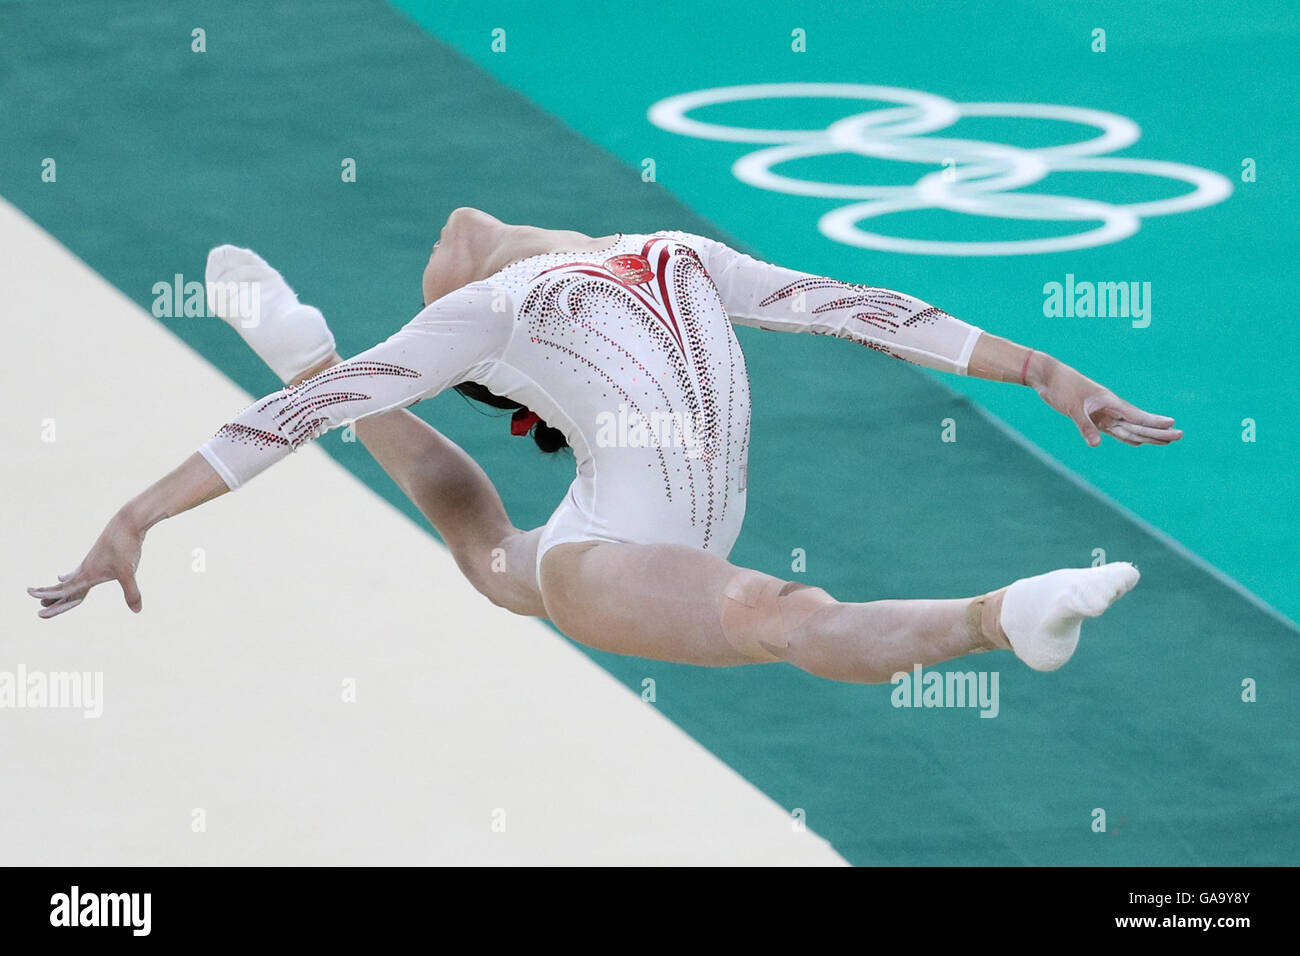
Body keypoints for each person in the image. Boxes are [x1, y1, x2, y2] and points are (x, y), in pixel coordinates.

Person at [28, 208, 1182, 679]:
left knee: (488, 556)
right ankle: (1001, 612)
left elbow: (286, 430)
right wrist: (1035, 366)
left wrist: (137, 515)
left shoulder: (480, 313)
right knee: (773, 612)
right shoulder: (682, 253)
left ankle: (308, 349)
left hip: (618, 520)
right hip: (619, 550)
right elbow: (863, 307)